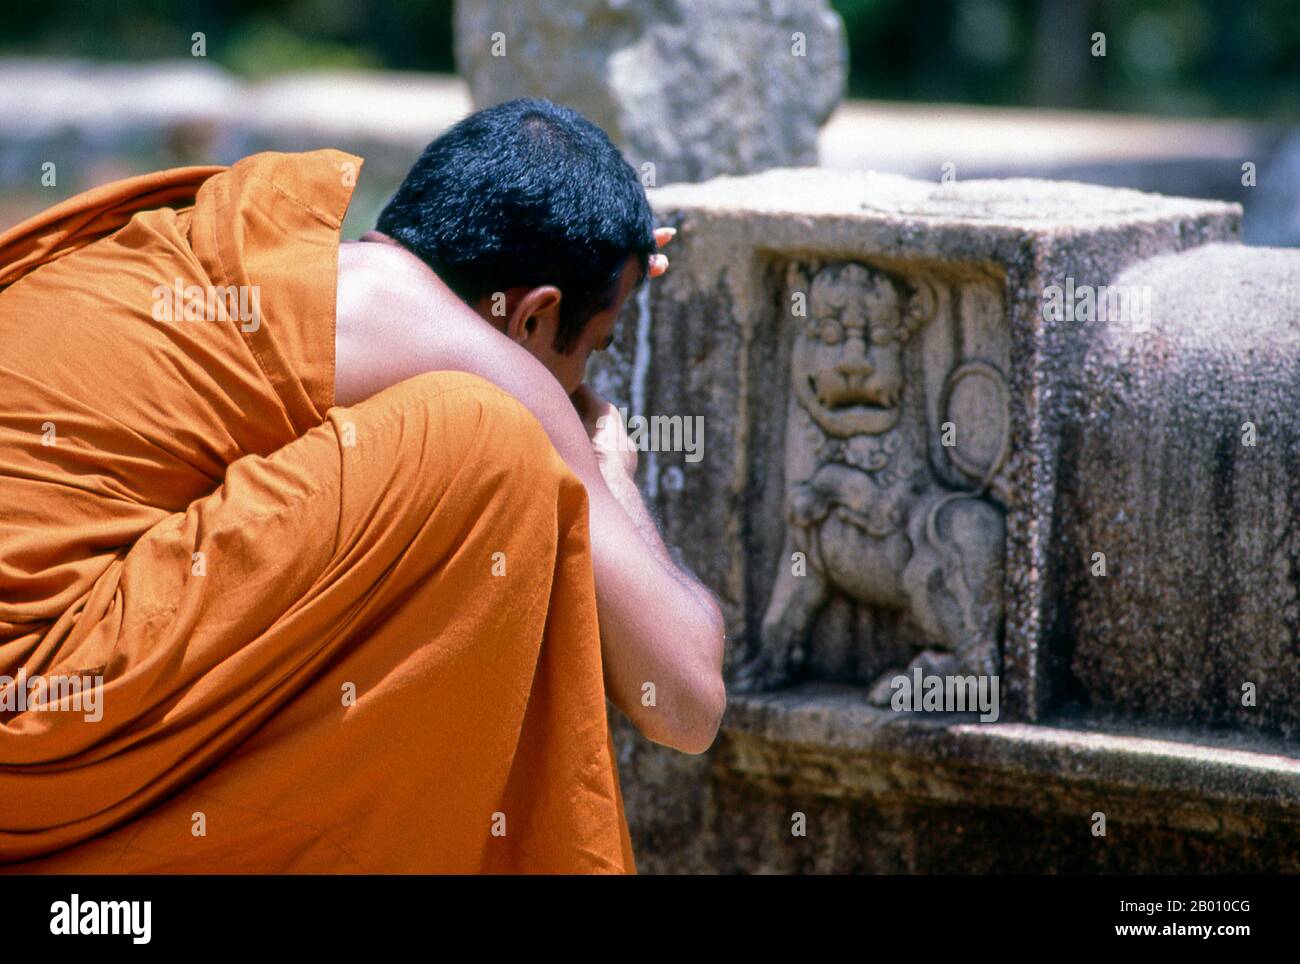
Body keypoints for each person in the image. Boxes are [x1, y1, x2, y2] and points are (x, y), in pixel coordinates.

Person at [0, 98, 725, 873]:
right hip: (33, 726)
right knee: (488, 447)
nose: (587, 381)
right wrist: (607, 468)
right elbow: (685, 698)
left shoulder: (260, 258)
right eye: (598, 347)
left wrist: (596, 253)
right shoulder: (447, 338)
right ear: (533, 318)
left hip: (49, 706)